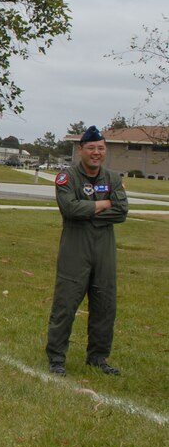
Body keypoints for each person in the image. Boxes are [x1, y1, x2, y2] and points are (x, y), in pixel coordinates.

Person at [45, 125, 129, 377]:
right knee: (66, 304)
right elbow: (69, 209)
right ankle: (57, 358)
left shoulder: (113, 178)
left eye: (101, 148)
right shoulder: (67, 178)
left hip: (104, 251)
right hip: (75, 249)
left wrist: (89, 212)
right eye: (91, 148)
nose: (96, 153)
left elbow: (122, 210)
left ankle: (98, 358)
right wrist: (103, 204)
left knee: (105, 305)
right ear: (81, 150)